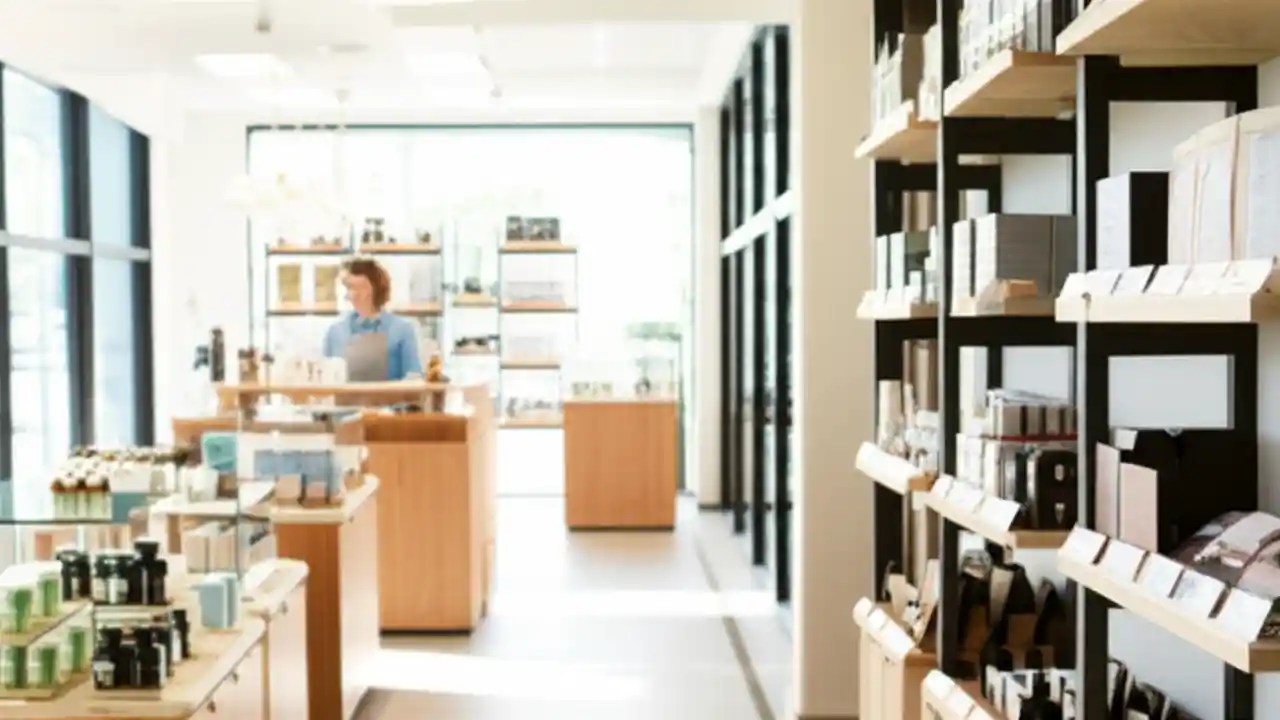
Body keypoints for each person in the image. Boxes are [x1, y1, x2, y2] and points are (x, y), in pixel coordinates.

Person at [323, 257, 423, 381]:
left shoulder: (402, 329)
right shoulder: (336, 332)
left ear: (377, 289)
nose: (354, 294)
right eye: (350, 288)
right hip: (346, 400)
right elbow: (325, 382)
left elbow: (414, 377)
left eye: (361, 288)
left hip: (390, 400)